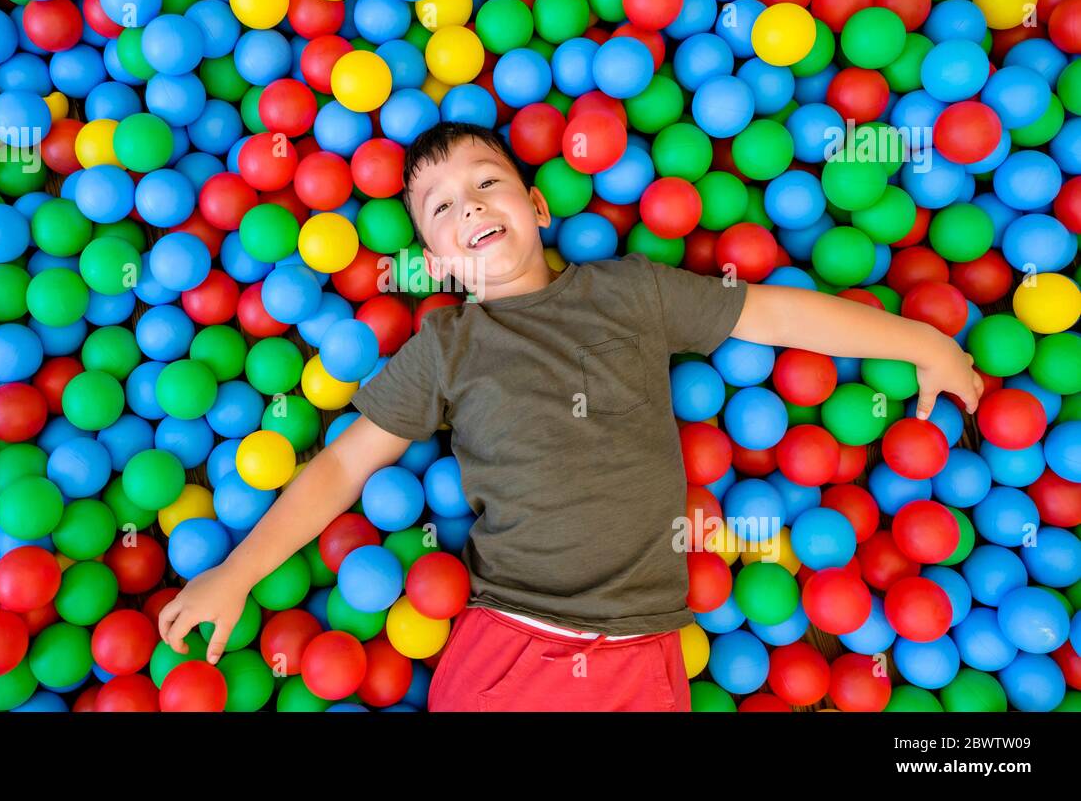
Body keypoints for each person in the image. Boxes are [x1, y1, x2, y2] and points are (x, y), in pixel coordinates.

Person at [158, 122, 984, 711]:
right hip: (513, 650)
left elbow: (772, 314)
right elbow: (342, 465)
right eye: (439, 209)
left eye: (486, 183)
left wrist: (921, 342)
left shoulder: (629, 292)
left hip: (647, 653)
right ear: (434, 260)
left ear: (539, 206)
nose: (470, 208)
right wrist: (235, 573)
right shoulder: (446, 346)